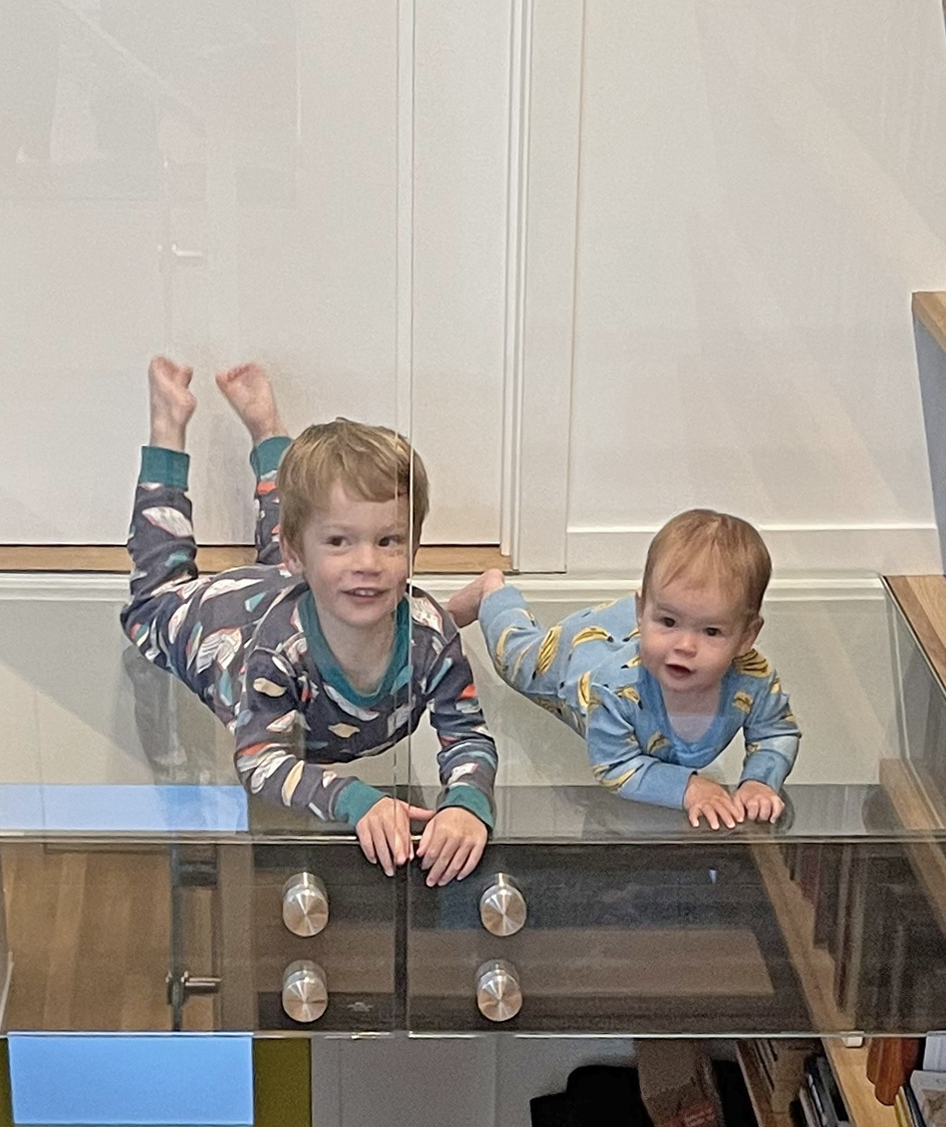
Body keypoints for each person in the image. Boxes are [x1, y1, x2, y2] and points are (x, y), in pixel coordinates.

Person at [122, 357, 496, 882]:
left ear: (414, 547)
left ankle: (268, 431)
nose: (368, 562)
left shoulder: (431, 635)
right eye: (342, 541)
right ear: (300, 555)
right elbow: (258, 760)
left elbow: (469, 735)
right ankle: (168, 422)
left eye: (388, 541)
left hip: (297, 587)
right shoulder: (277, 653)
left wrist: (465, 801)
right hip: (220, 621)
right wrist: (354, 798)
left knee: (308, 545)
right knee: (154, 597)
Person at [473, 509, 798, 831]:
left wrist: (760, 781)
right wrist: (688, 787)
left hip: (636, 634)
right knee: (513, 654)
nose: (686, 646)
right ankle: (493, 591)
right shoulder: (614, 688)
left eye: (711, 631)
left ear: (746, 636)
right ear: (642, 612)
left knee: (669, 627)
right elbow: (615, 765)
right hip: (579, 654)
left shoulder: (753, 679)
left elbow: (776, 731)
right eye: (668, 621)